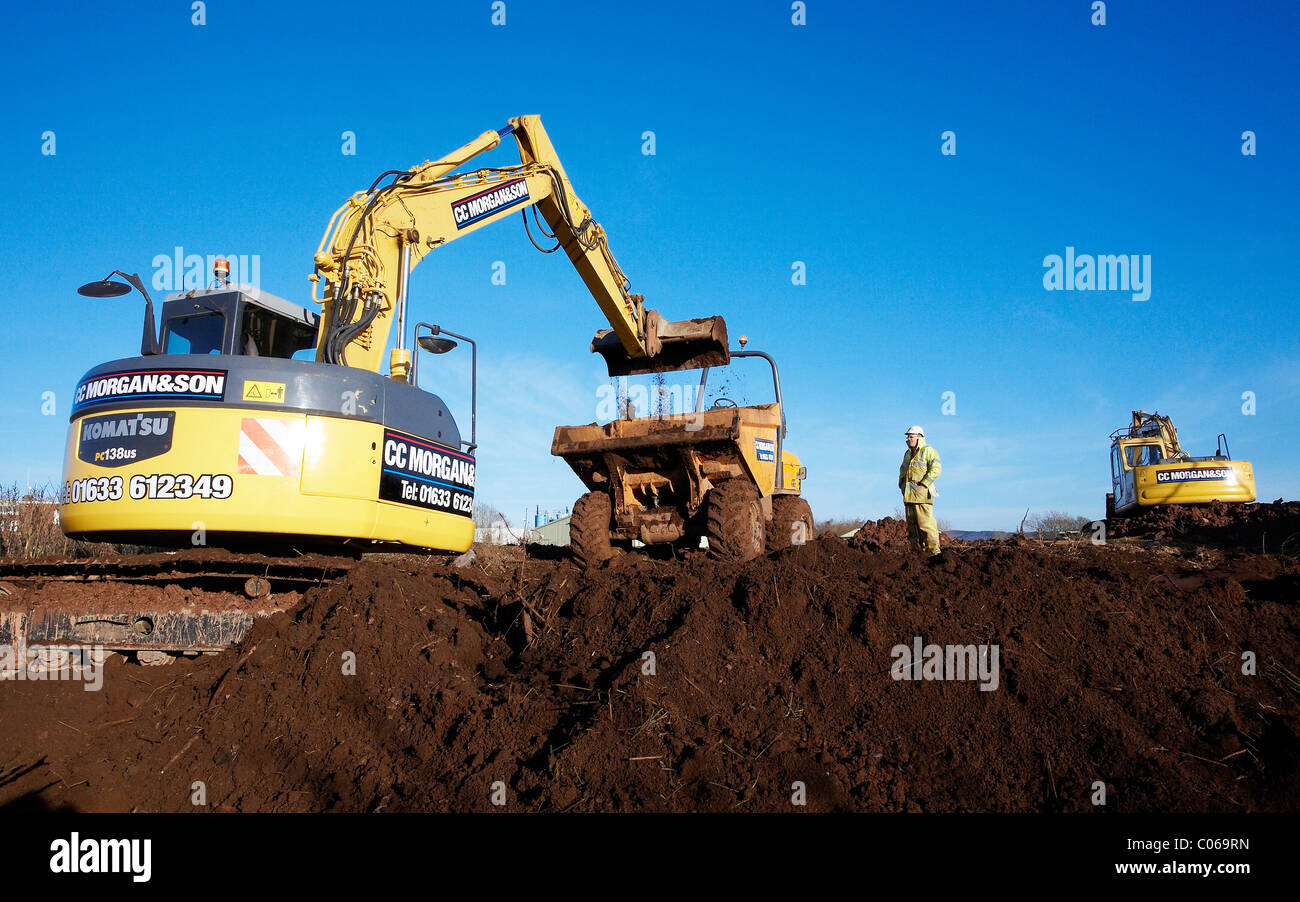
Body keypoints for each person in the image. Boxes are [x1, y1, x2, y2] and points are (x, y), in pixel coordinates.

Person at [898, 425, 942, 556]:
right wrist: (901, 484)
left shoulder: (928, 451)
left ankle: (934, 552)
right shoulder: (907, 454)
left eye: (911, 436)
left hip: (922, 496)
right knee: (912, 527)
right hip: (909, 496)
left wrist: (924, 484)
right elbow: (903, 470)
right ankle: (916, 553)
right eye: (908, 437)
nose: (908, 439)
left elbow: (936, 469)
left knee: (926, 525)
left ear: (919, 437)